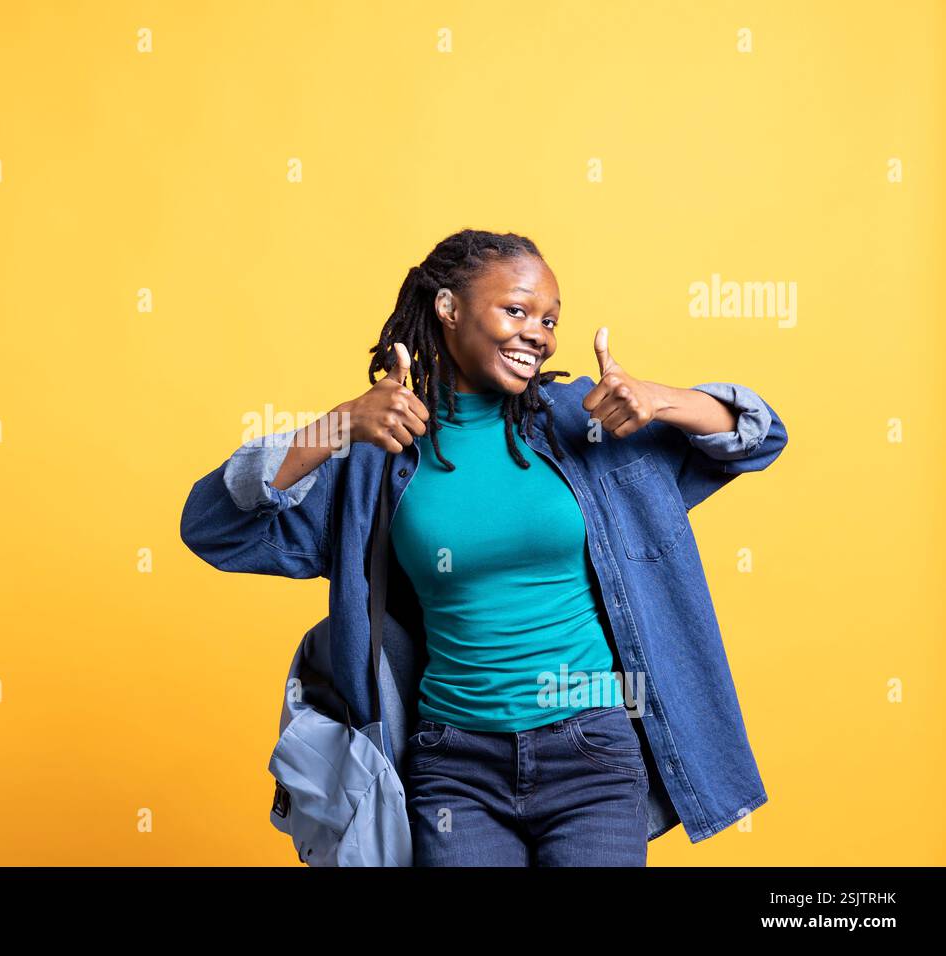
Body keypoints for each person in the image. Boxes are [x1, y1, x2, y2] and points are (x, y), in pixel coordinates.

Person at [180, 228, 789, 865]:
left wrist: (660, 400)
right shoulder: (379, 455)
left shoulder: (580, 421)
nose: (540, 334)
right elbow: (215, 524)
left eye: (551, 320)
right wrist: (340, 424)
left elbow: (758, 435)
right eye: (517, 310)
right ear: (448, 309)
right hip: (454, 766)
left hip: (593, 756)